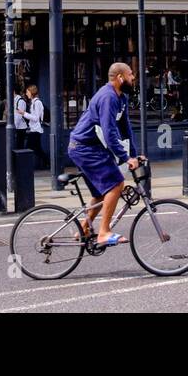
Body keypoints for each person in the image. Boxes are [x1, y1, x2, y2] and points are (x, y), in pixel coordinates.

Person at [67, 62, 140, 246]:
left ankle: (83, 228)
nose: (133, 78)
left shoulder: (120, 97)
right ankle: (103, 232)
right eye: (131, 74)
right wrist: (125, 158)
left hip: (90, 147)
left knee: (102, 192)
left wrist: (134, 154)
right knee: (116, 183)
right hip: (84, 147)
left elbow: (125, 127)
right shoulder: (108, 97)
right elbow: (109, 133)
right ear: (120, 77)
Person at [22, 83, 49, 169]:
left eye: (27, 92)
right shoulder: (33, 103)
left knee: (28, 149)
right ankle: (47, 163)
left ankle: (25, 167)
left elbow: (36, 118)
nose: (26, 94)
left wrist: (24, 113)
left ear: (31, 92)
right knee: (37, 149)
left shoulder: (37, 103)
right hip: (34, 129)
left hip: (36, 130)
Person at [13, 86, 31, 150]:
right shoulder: (14, 100)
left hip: (20, 128)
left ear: (14, 91)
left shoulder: (20, 101)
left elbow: (19, 116)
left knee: (19, 147)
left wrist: (14, 128)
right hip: (16, 127)